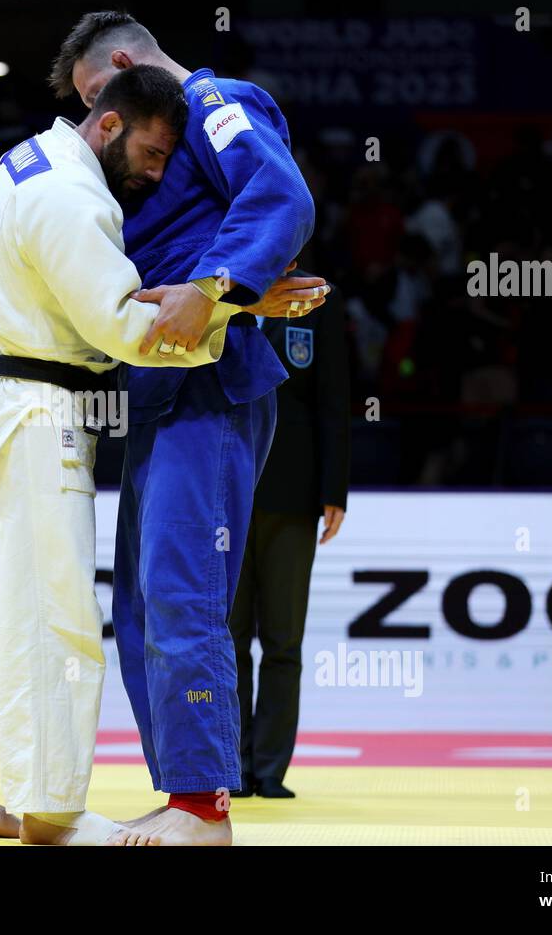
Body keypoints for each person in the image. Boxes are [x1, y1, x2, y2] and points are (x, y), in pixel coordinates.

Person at [0, 66, 245, 846]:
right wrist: (234, 298)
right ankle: (51, 811)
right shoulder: (70, 194)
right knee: (51, 617)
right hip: (34, 415)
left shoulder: (31, 157)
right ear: (108, 125)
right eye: (154, 151)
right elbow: (121, 326)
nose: (157, 172)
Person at [50, 11, 323, 845]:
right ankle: (183, 790)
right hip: (161, 391)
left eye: (104, 100)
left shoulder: (215, 101)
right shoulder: (143, 162)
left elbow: (282, 196)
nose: (105, 129)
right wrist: (235, 285)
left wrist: (220, 286)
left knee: (181, 592)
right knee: (138, 605)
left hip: (212, 385)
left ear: (127, 66)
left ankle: (204, 809)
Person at [229, 290, 350, 799]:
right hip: (226, 491)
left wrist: (333, 489)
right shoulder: (219, 296)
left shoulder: (317, 303)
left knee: (283, 641)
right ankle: (228, 767)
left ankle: (270, 768)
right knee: (227, 642)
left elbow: (335, 400)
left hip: (294, 495)